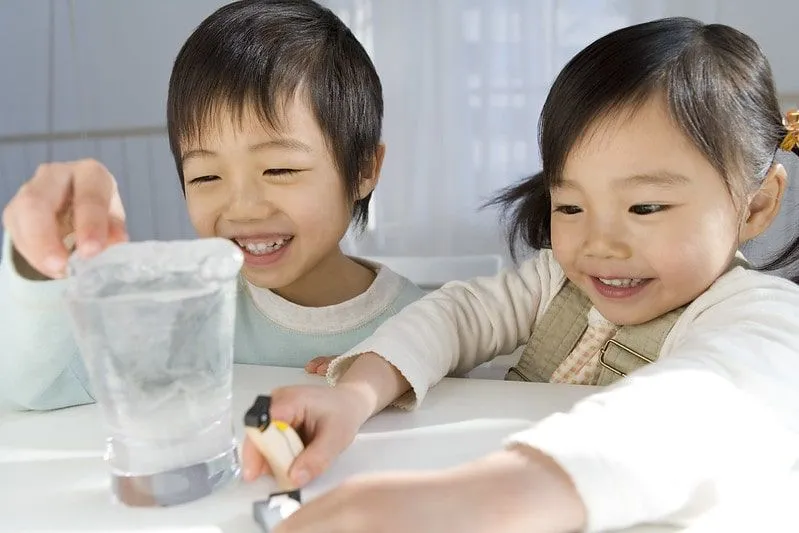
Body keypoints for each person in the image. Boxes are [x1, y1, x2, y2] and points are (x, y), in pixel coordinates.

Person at [245, 17, 799, 532]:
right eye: (571, 207)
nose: (598, 244)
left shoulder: (762, 315)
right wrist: (357, 394)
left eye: (646, 208)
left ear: (755, 206)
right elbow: (457, 315)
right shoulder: (554, 279)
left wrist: (479, 498)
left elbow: (700, 407)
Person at [0, 0, 423, 411]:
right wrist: (42, 257)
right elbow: (40, 387)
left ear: (364, 169)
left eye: (279, 169)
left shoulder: (428, 325)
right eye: (206, 176)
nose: (242, 207)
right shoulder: (187, 315)